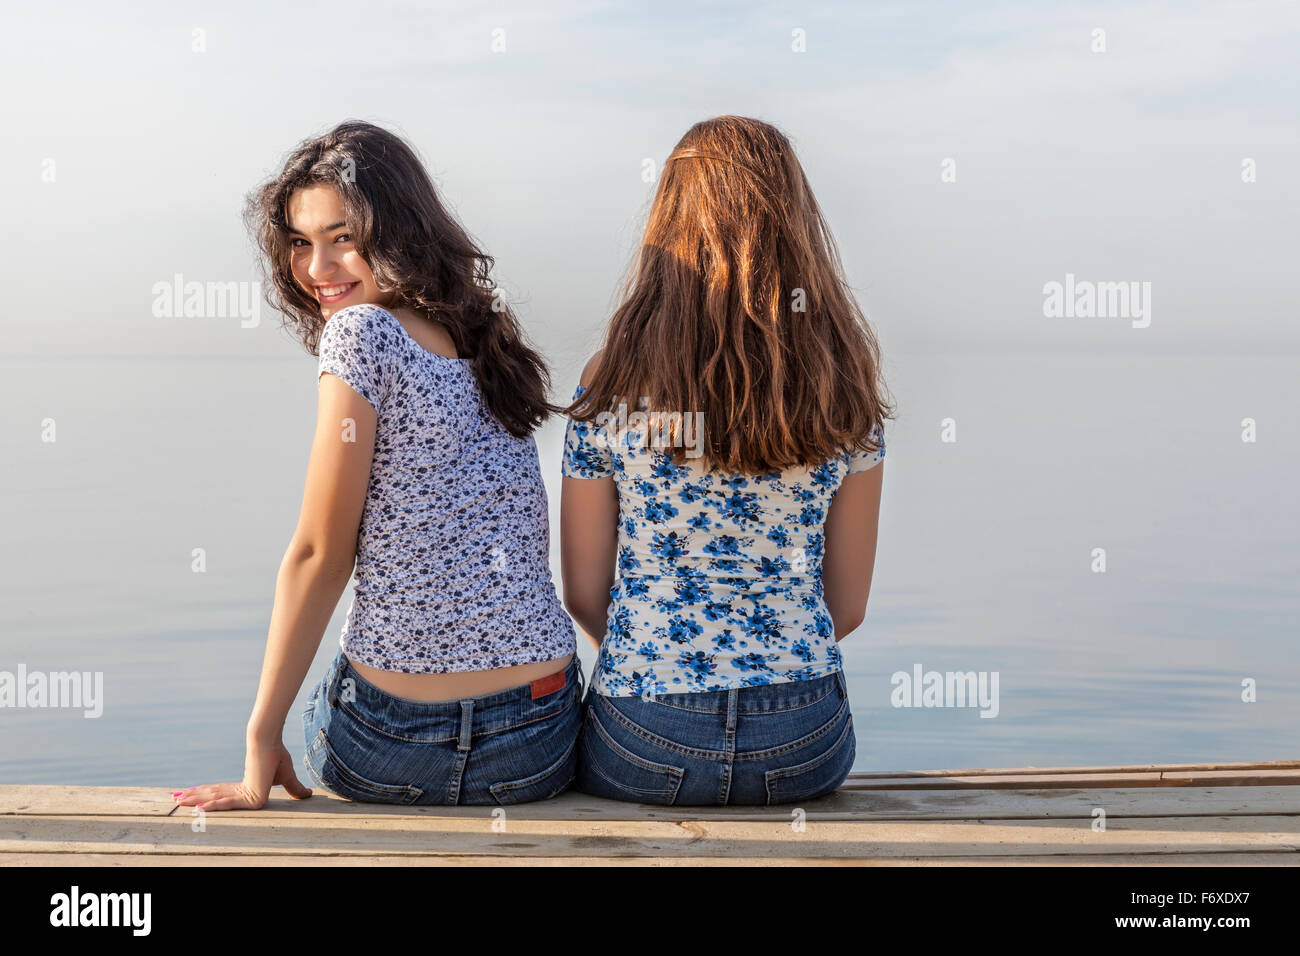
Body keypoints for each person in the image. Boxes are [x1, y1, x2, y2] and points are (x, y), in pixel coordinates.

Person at [172, 121, 579, 811]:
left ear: (400, 233)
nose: (317, 268)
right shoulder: (484, 342)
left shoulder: (361, 334)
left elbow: (318, 553)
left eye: (343, 239)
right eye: (300, 242)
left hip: (395, 745)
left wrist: (258, 741)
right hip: (537, 738)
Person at [560, 115, 894, 806]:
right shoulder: (844, 381)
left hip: (642, 736)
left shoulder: (611, 378)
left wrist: (657, 669)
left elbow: (585, 595)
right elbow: (848, 607)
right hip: (803, 739)